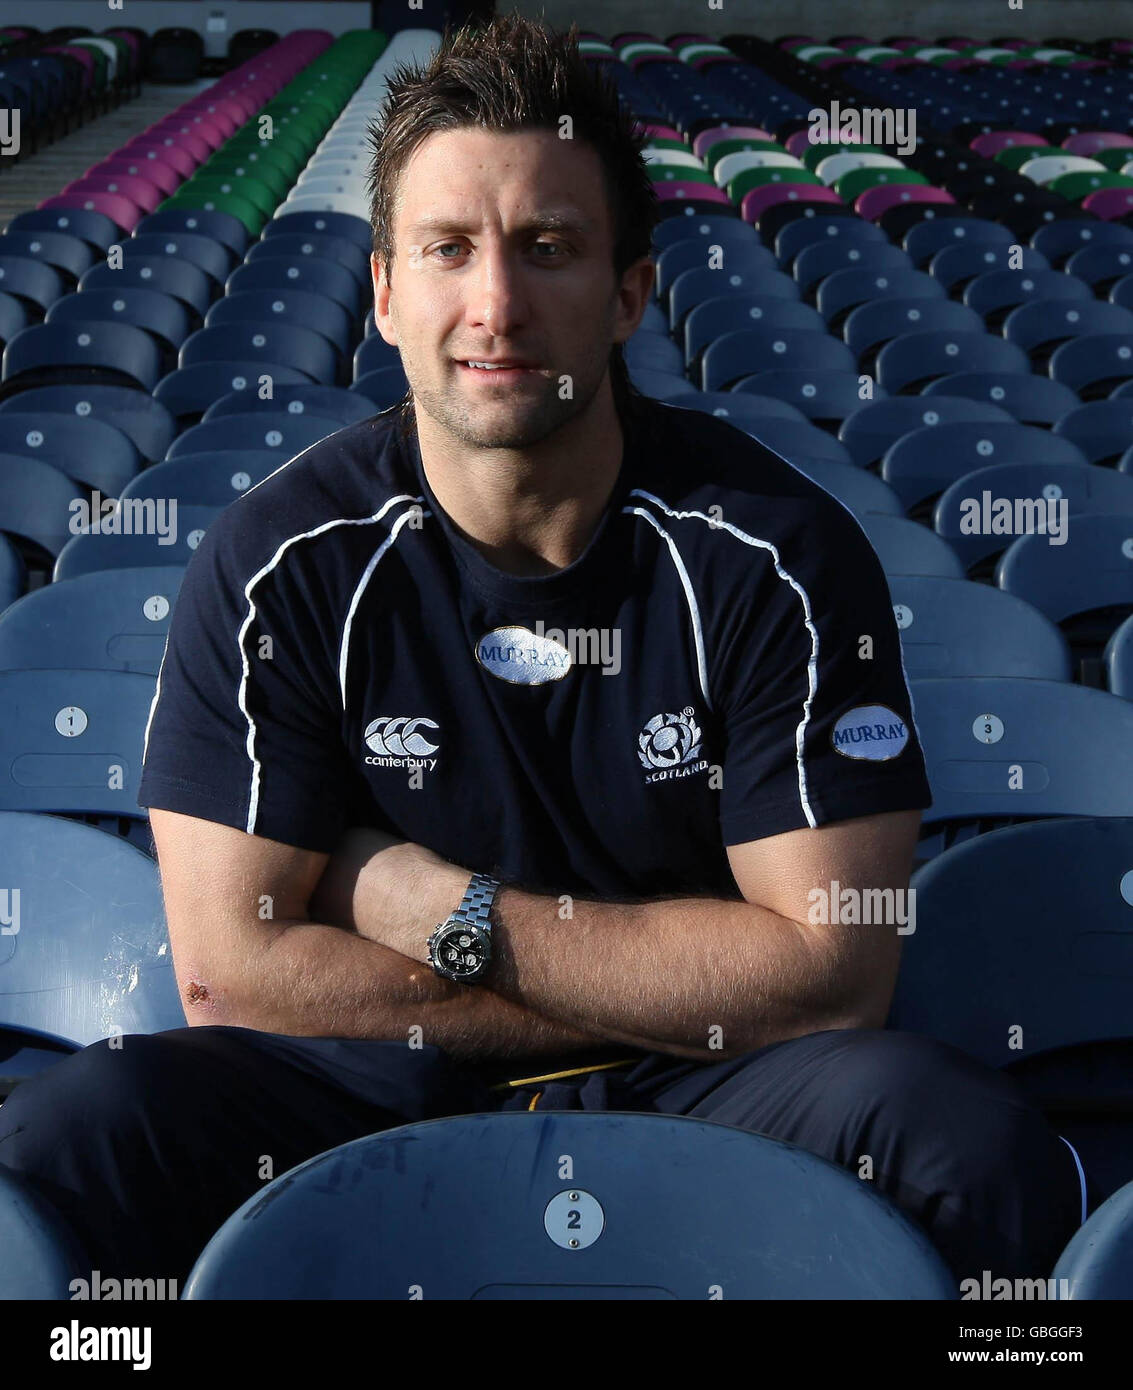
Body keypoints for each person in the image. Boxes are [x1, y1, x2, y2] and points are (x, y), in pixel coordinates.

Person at [0, 15, 1086, 1293]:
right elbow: (229, 971)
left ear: (628, 292)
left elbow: (829, 976)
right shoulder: (278, 561)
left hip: (705, 1080)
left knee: (956, 1139)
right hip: (364, 1082)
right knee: (65, 1139)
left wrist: (429, 908)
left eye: (548, 249)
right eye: (448, 249)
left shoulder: (777, 552)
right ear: (388, 289)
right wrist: (649, 969)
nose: (495, 305)